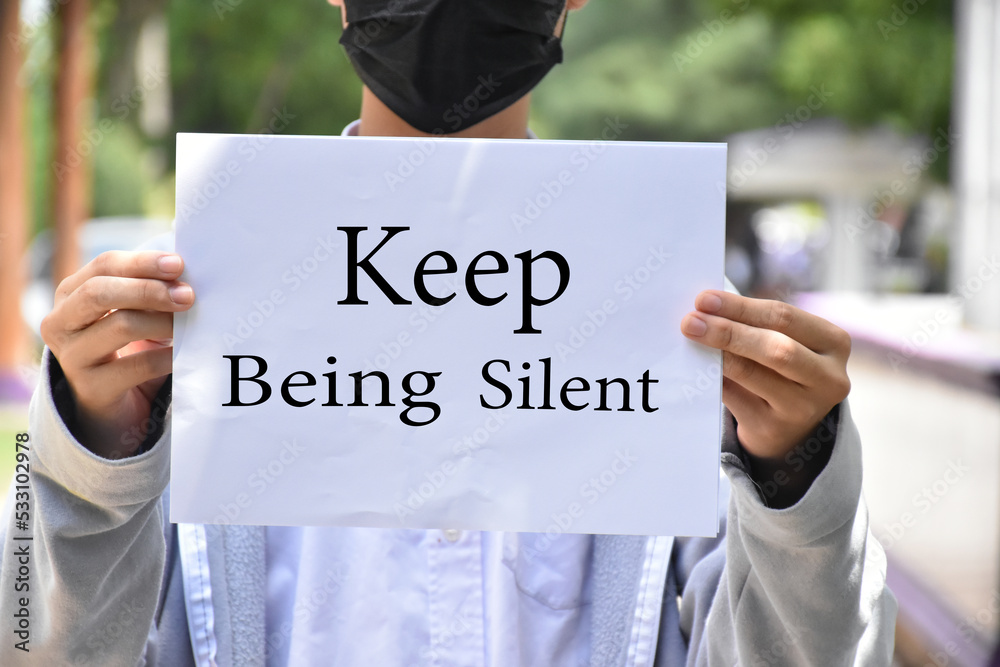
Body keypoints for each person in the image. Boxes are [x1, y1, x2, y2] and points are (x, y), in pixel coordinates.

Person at [0, 0, 896, 664]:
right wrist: (87, 461)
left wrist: (801, 490)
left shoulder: (676, 320)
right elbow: (25, 635)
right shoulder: (183, 315)